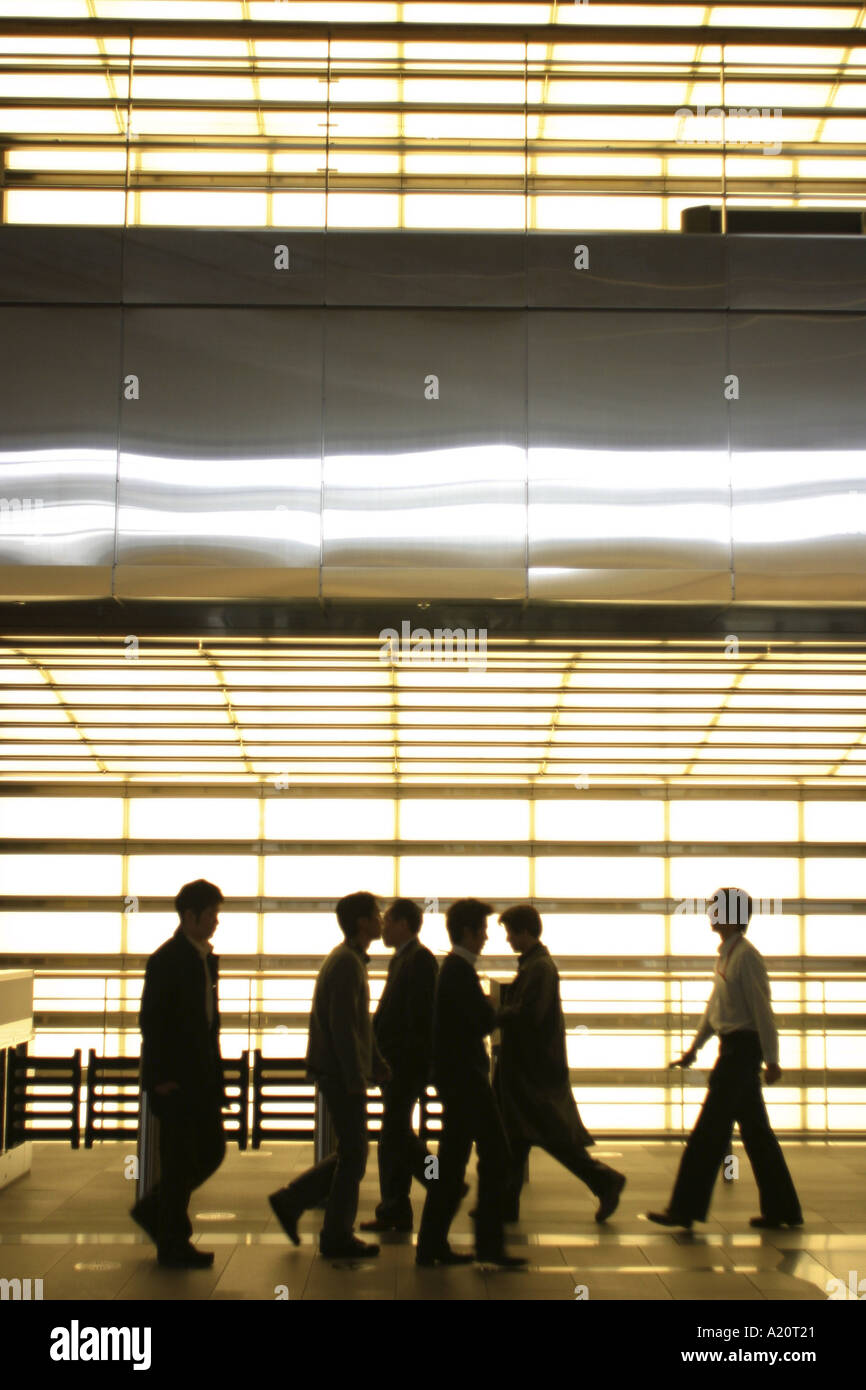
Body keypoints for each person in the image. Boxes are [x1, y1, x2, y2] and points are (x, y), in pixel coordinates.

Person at [648, 886, 803, 1232]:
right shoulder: (727, 956)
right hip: (733, 1051)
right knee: (757, 1133)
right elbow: (715, 1009)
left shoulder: (746, 957)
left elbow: (763, 1011)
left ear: (731, 917)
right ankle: (783, 1209)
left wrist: (772, 1059)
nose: (710, 914)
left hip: (741, 1054)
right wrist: (695, 1047)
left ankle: (684, 1208)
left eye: (716, 909)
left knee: (709, 1132)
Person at [268, 891, 391, 1260]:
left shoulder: (348, 960)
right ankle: (335, 1234)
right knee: (354, 1154)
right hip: (340, 1074)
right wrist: (357, 1075)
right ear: (361, 923)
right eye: (376, 915)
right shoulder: (347, 964)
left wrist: (376, 1064)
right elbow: (343, 1027)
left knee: (350, 1151)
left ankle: (293, 1201)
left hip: (338, 1071)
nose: (381, 920)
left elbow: (355, 1025)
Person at [495, 904, 626, 1222]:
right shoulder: (536, 965)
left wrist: (496, 1011)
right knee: (518, 1137)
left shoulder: (538, 968)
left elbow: (529, 1016)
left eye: (511, 932)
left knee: (540, 1136)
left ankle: (604, 1179)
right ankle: (503, 1203)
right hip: (531, 1068)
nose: (508, 939)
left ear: (525, 931)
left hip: (531, 1070)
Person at [416, 898, 526, 1269]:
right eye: (481, 929)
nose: (485, 937)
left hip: (456, 1081)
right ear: (467, 931)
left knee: (451, 1164)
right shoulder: (458, 972)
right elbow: (477, 1021)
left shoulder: (452, 970)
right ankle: (488, 1245)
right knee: (497, 1155)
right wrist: (506, 1013)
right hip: (467, 1082)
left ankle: (432, 1244)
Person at [132, 878, 226, 1269]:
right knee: (180, 1160)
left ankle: (158, 1214)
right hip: (176, 1081)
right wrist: (158, 1079)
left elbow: (207, 1025)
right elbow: (152, 1022)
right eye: (210, 915)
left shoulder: (202, 958)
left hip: (198, 1078)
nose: (216, 922)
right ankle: (172, 1239)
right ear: (189, 916)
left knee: (207, 1151)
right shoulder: (169, 959)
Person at [360, 897, 438, 1234]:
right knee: (396, 1134)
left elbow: (417, 1020)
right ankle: (396, 1206)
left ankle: (437, 1179)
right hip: (399, 1063)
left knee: (394, 1134)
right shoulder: (404, 959)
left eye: (388, 921)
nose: (383, 927)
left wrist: (393, 1059)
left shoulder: (419, 961)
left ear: (404, 923)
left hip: (405, 1065)